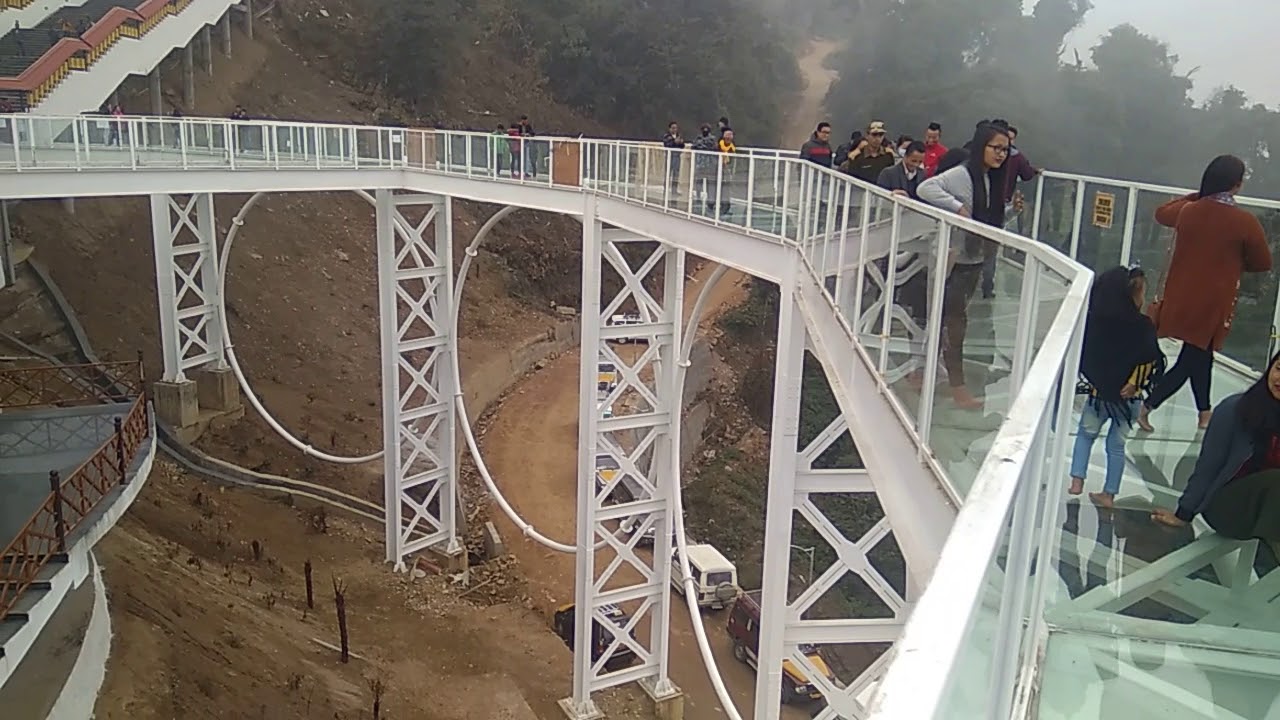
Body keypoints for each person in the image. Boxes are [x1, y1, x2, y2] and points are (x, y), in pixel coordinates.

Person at [1138, 155, 1272, 432]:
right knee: (1193, 359)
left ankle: (1204, 413)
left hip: (1181, 298)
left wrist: (1199, 195)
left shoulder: (1189, 210)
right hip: (1214, 304)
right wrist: (1234, 261)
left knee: (1199, 356)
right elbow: (1263, 262)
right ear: (1236, 184)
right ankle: (1147, 406)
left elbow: (1163, 211)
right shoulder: (1245, 221)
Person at [917, 123, 1011, 409]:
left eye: (1005, 150)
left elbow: (987, 218)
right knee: (954, 322)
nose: (1001, 155)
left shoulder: (990, 178)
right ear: (981, 145)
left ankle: (928, 374)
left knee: (950, 319)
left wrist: (1013, 210)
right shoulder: (962, 175)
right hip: (954, 258)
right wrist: (955, 208)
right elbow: (925, 187)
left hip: (974, 257)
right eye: (996, 148)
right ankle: (957, 387)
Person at [1153, 349, 1280, 545]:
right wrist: (1183, 514)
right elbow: (1208, 466)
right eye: (1279, 369)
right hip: (1227, 505)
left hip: (1268, 511)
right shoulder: (1235, 409)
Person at [1068, 266, 1165, 508]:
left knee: (1085, 435)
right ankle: (1109, 494)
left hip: (1098, 395)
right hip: (1129, 401)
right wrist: (1134, 383)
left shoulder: (1095, 323)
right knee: (1116, 446)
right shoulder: (1143, 326)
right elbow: (1151, 359)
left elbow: (1086, 356)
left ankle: (1077, 480)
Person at [662, 121, 685, 204]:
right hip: (669, 157)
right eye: (673, 128)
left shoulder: (679, 135)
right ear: (670, 128)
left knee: (676, 174)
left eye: (676, 128)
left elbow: (682, 146)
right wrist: (675, 142)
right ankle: (665, 189)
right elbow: (667, 144)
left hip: (677, 157)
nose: (675, 129)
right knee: (668, 173)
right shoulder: (666, 136)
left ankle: (674, 190)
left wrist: (681, 143)